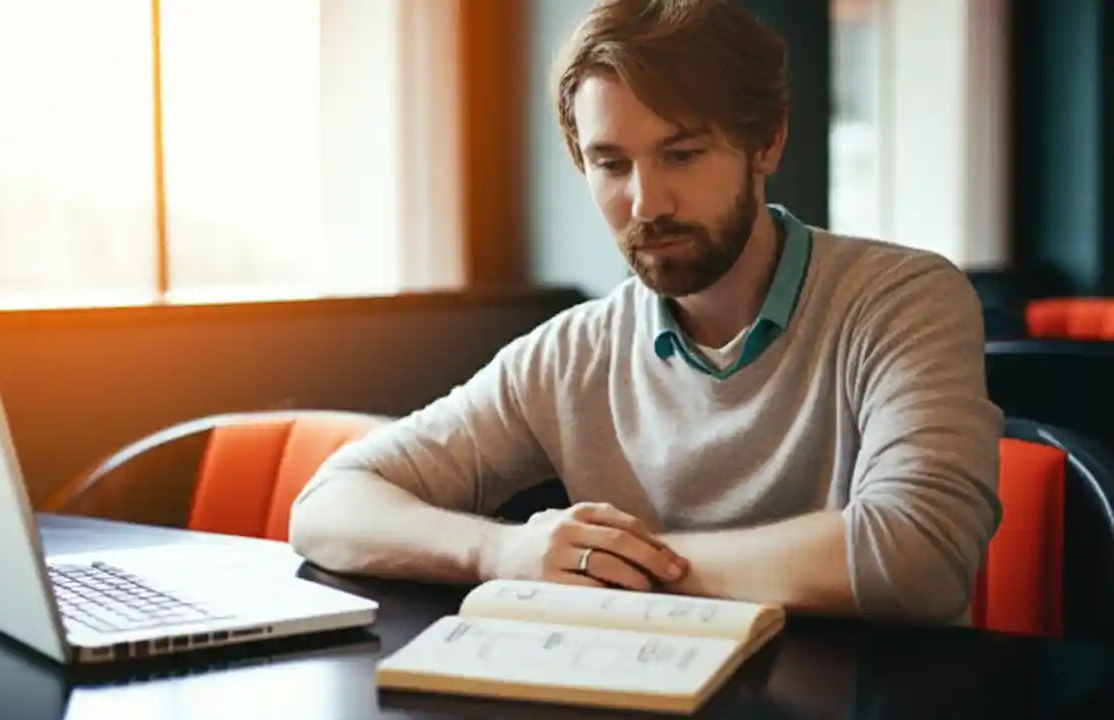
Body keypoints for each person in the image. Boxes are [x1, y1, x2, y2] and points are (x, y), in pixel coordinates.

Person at [290, 0, 1002, 622]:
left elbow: (921, 557)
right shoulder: (574, 351)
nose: (645, 203)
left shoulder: (903, 300)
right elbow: (328, 505)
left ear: (769, 141)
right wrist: (503, 549)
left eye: (683, 154)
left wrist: (610, 565)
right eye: (611, 164)